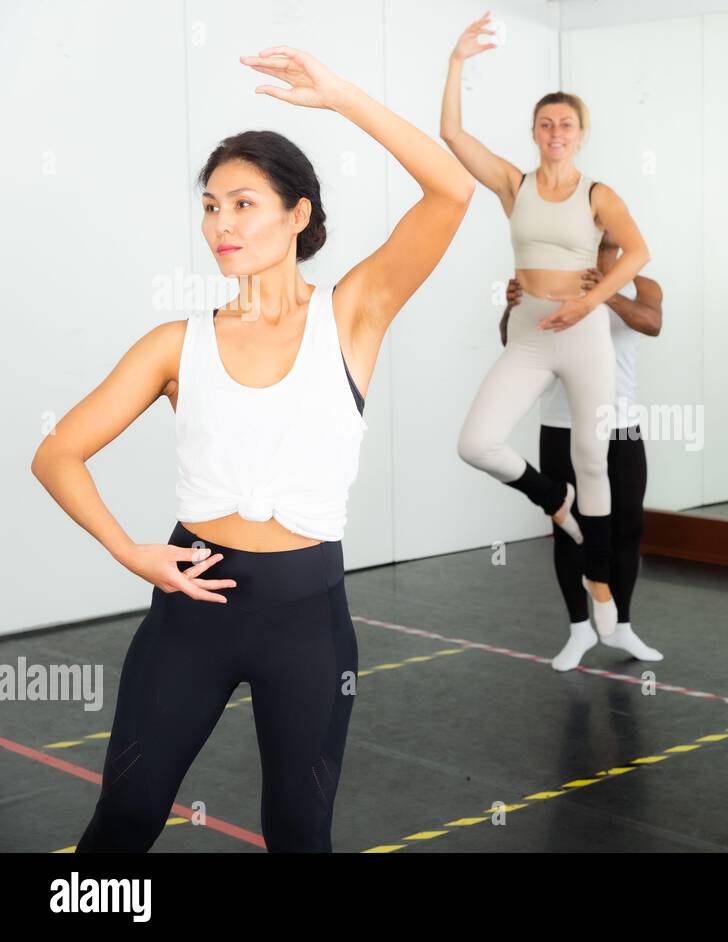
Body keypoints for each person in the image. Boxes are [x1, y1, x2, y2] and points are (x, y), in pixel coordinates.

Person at [30, 46, 474, 851]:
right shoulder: (177, 343)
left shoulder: (353, 316)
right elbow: (57, 453)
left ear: (298, 215)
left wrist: (339, 96)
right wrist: (132, 553)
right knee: (126, 818)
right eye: (210, 207)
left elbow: (452, 189)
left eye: (242, 204)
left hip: (309, 622)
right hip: (190, 613)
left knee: (299, 834)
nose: (221, 226)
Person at [442, 12, 650, 638]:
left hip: (582, 331)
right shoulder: (515, 183)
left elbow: (638, 253)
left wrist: (592, 303)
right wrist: (457, 61)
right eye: (546, 123)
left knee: (592, 455)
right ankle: (551, 500)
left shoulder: (598, 194)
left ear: (581, 134)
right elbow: (451, 133)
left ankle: (603, 588)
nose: (555, 132)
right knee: (476, 442)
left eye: (566, 124)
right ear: (534, 132)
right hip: (534, 329)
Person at [499, 235, 664, 671]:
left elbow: (651, 323)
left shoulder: (643, 287)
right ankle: (579, 629)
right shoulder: (546, 284)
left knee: (628, 525)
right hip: (561, 424)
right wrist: (511, 307)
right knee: (570, 528)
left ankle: (621, 624)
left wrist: (600, 295)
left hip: (621, 426)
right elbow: (513, 345)